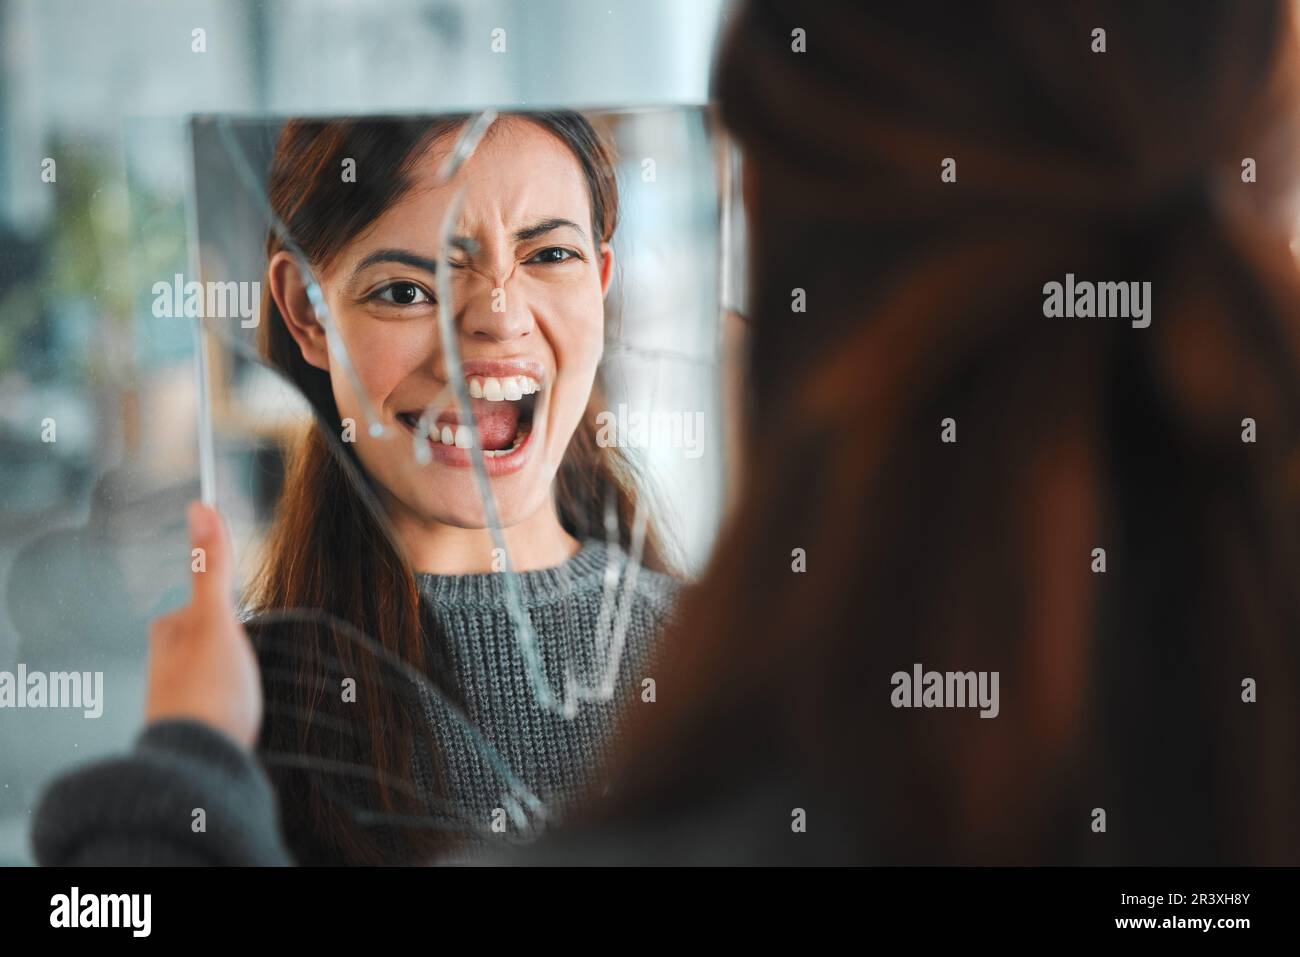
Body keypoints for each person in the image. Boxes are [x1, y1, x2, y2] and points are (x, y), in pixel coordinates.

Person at [32, 0, 1300, 866]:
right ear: (305, 324)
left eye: (547, 255)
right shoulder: (262, 698)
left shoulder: (747, 693)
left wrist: (174, 786)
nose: (492, 327)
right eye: (406, 285)